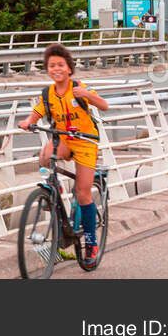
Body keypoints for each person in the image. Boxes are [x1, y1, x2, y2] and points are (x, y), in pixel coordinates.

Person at [17, 43, 111, 266]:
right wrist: (29, 122)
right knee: (45, 154)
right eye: (51, 65)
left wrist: (86, 94)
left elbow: (104, 105)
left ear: (69, 69)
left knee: (82, 193)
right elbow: (40, 110)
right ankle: (53, 191)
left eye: (60, 65)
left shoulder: (78, 87)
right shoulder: (48, 93)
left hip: (86, 142)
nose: (56, 69)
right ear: (48, 69)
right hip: (64, 139)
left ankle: (90, 242)